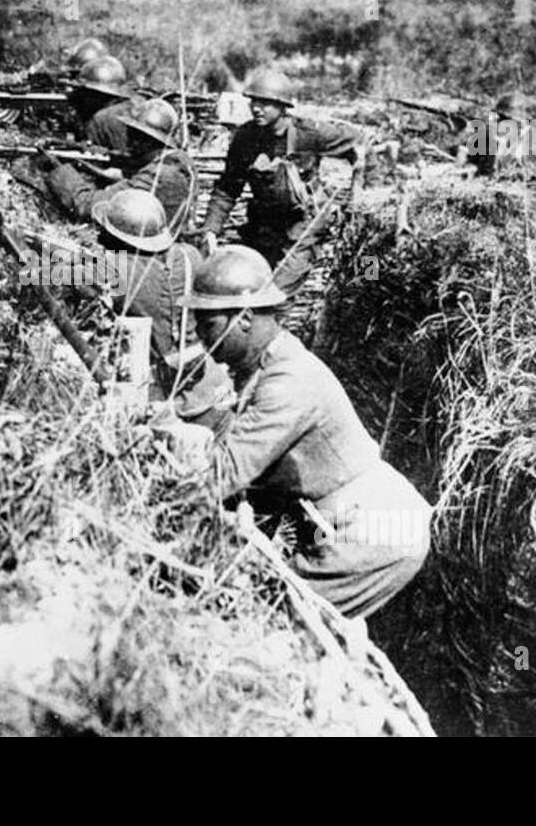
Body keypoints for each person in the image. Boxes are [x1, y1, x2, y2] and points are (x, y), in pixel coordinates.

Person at [167, 245, 431, 620]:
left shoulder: (289, 382)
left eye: (207, 323)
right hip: (351, 523)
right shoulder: (268, 365)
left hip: (374, 533)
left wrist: (165, 488)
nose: (200, 337)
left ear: (243, 318)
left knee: (268, 625)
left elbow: (223, 475)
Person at [196, 69, 357, 320]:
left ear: (283, 106)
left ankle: (270, 345)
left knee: (276, 295)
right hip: (264, 224)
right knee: (242, 285)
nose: (256, 108)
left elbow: (361, 143)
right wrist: (210, 229)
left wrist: (363, 193)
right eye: (253, 102)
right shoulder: (245, 138)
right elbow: (228, 188)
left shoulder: (309, 134)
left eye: (265, 103)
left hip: (302, 225)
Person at [91, 190, 231, 427]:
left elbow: (46, 272)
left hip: (160, 400)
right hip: (210, 387)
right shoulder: (190, 256)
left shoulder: (113, 269)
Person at [44, 97, 196, 231]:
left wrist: (60, 171)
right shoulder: (174, 162)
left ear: (145, 140)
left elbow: (88, 205)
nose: (128, 140)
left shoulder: (161, 176)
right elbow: (122, 166)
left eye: (132, 134)